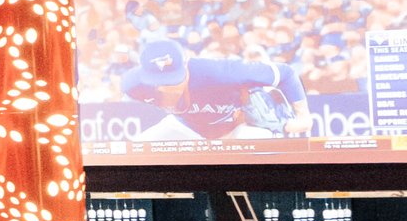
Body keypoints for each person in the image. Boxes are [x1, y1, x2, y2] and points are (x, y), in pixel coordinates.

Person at [112, 35, 311, 143]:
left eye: (173, 80)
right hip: (186, 127)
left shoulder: (219, 72)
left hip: (236, 128)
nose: (167, 87)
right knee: (137, 147)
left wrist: (303, 117)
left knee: (261, 143)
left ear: (186, 65)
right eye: (160, 81)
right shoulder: (134, 86)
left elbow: (285, 73)